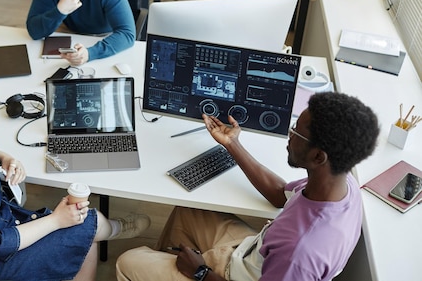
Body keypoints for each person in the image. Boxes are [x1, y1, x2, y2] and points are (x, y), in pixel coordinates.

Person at [0, 64, 150, 281]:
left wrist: (3, 155)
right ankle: (113, 229)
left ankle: (107, 230)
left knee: (83, 225)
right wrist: (56, 220)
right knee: (86, 222)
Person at [116, 92, 379, 281]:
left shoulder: (299, 254)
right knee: (189, 210)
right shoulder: (341, 184)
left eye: (295, 132)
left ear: (318, 156)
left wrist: (200, 273)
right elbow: (279, 194)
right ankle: (168, 264)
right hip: (251, 252)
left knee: (128, 261)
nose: (289, 135)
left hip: (243, 272)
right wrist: (232, 144)